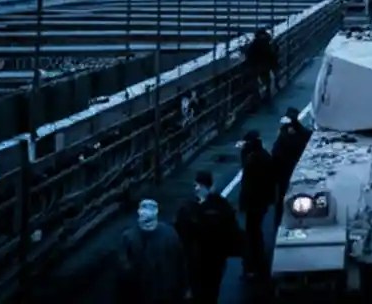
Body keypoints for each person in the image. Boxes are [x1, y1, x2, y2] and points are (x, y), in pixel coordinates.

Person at [175, 171, 242, 304]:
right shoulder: (221, 205)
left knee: (205, 289)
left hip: (205, 257)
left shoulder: (190, 207)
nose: (196, 188)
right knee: (209, 290)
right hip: (210, 258)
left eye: (199, 185)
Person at [117, 196, 187, 304]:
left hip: (146, 293)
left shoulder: (129, 237)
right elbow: (180, 262)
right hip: (164, 292)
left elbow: (124, 270)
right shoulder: (169, 233)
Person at [237, 130, 275, 278]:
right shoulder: (265, 156)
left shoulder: (252, 160)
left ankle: (253, 263)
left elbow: (247, 178)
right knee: (255, 230)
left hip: (253, 202)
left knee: (251, 232)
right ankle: (258, 260)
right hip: (262, 201)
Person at [271, 107, 312, 227]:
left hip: (283, 168)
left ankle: (279, 222)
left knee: (281, 197)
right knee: (285, 195)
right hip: (287, 168)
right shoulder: (292, 132)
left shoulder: (286, 132)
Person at [245, 29, 279, 98]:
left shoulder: (256, 43)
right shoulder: (269, 40)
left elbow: (249, 53)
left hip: (258, 64)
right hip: (268, 63)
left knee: (258, 80)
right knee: (267, 79)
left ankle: (260, 95)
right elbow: (275, 49)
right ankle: (269, 90)